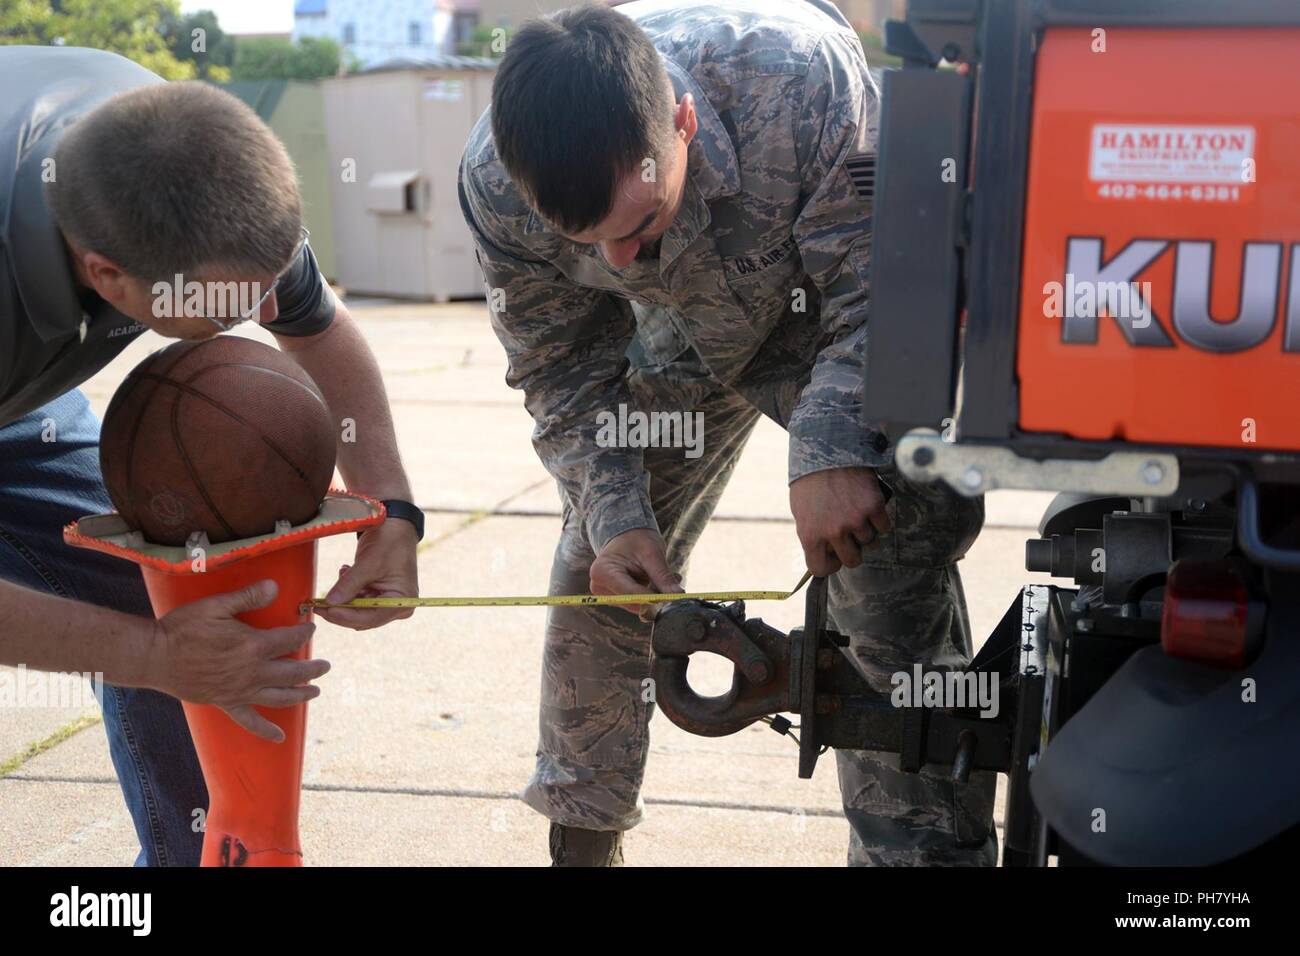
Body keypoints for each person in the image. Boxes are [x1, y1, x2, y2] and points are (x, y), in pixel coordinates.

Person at [459, 0, 996, 866]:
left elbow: (895, 292)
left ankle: (918, 852)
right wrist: (616, 510)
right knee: (605, 569)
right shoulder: (495, 180)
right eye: (590, 245)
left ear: (683, 121)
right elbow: (559, 372)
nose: (619, 260)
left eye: (636, 227)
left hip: (822, 313)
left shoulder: (801, 81)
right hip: (672, 330)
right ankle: (583, 841)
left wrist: (830, 451)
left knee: (884, 557)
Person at [0, 46, 422, 866]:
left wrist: (392, 511)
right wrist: (153, 658)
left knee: (176, 594)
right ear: (104, 273)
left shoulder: (194, 177)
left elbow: (318, 326)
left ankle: (216, 854)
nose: (259, 315)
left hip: (21, 398)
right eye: (232, 306)